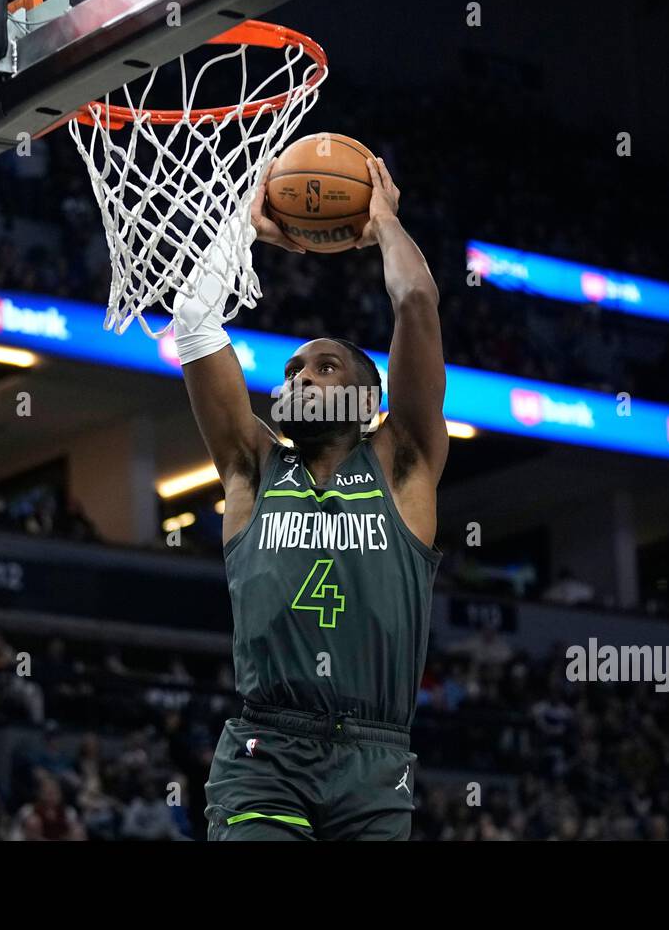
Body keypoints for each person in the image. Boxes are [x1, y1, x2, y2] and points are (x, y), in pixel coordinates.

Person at [178, 158, 447, 840]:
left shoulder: (402, 462)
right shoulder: (252, 466)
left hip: (376, 760)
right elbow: (193, 320)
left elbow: (416, 301)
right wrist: (244, 228)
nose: (300, 375)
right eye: (293, 368)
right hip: (266, 751)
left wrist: (383, 221)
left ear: (369, 402)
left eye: (325, 367)